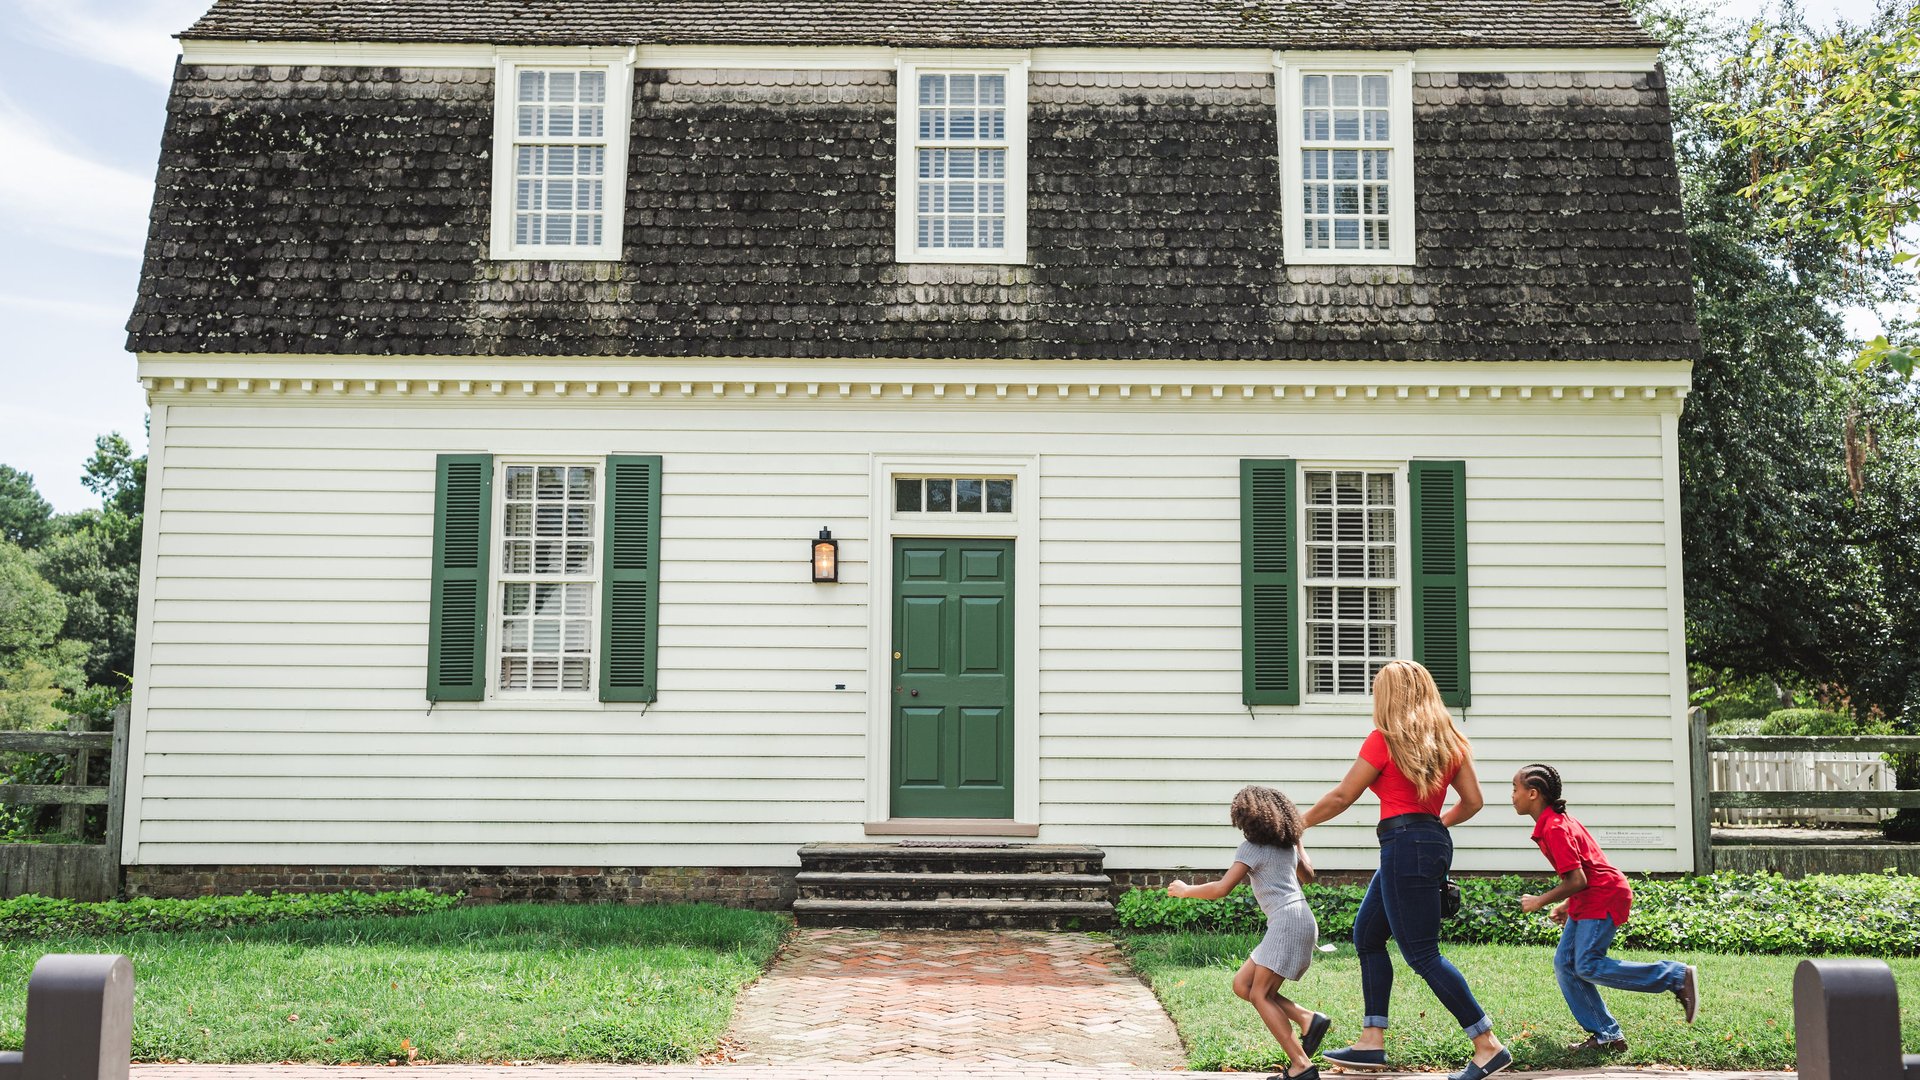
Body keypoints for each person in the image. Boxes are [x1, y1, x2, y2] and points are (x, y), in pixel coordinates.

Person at [1302, 659, 1510, 1080]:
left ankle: (1487, 1044)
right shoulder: (1451, 741)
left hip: (1404, 844)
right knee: (1368, 935)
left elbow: (1344, 795)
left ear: (1390, 696)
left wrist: (1297, 823)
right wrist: (1431, 827)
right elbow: (1473, 802)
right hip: (1428, 840)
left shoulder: (1385, 739)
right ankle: (1371, 1042)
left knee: (1422, 953)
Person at [1511, 763, 1700, 1054]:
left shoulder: (1556, 827)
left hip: (1604, 895)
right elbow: (1585, 870)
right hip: (1591, 895)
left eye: (1516, 789)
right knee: (1566, 964)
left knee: (1586, 964)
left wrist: (1540, 900)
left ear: (1533, 793)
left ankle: (1675, 976)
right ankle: (1606, 1035)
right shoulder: (1554, 822)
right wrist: (1567, 903)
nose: (1512, 795)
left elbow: (1578, 878)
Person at [1167, 785, 1331, 1080]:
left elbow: (1221, 889)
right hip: (1298, 918)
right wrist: (1298, 842)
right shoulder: (1285, 845)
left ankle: (1301, 1066)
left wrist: (1185, 890)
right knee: (1243, 985)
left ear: (1248, 819)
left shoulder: (1252, 848)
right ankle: (1309, 1019)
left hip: (1286, 922)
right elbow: (1308, 875)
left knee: (1260, 994)